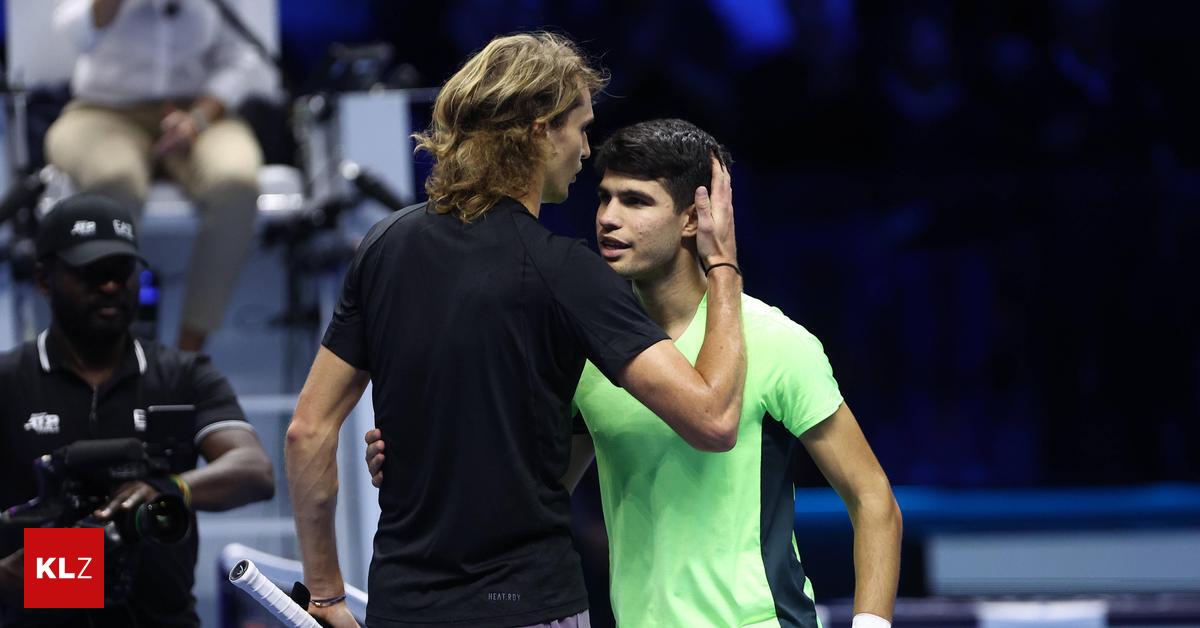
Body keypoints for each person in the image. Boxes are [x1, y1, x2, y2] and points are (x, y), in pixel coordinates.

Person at [285, 33, 745, 628]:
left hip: (403, 609)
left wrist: (325, 594)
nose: (586, 149)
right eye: (580, 128)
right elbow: (712, 420)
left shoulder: (384, 245)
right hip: (526, 606)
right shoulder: (565, 269)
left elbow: (307, 432)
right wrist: (723, 265)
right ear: (540, 131)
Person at [366, 119, 903, 627]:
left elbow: (873, 498)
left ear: (693, 218)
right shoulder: (589, 352)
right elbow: (533, 493)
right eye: (604, 197)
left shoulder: (776, 340)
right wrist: (423, 460)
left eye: (636, 201)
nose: (608, 217)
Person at [0, 193, 276, 627]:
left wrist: (168, 488)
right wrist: (36, 574)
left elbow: (254, 470)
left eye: (122, 271)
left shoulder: (182, 374)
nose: (110, 286)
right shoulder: (8, 381)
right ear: (44, 279)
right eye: (92, 272)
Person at [45, 0, 277, 351]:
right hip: (103, 109)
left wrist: (198, 117)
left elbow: (241, 57)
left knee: (236, 185)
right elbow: (76, 32)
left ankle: (187, 355)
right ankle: (114, 351)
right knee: (115, 182)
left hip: (199, 112)